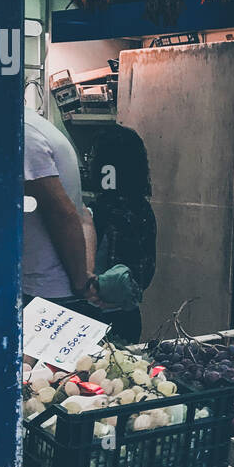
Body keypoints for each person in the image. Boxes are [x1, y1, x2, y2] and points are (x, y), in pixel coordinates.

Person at [85, 125, 157, 343]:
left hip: (95, 316)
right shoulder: (143, 209)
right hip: (129, 315)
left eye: (92, 155)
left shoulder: (97, 211)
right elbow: (148, 270)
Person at [23, 106, 98, 311]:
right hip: (58, 287)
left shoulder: (24, 134)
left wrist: (80, 281)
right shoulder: (39, 127)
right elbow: (83, 214)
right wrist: (84, 278)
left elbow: (61, 213)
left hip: (43, 291)